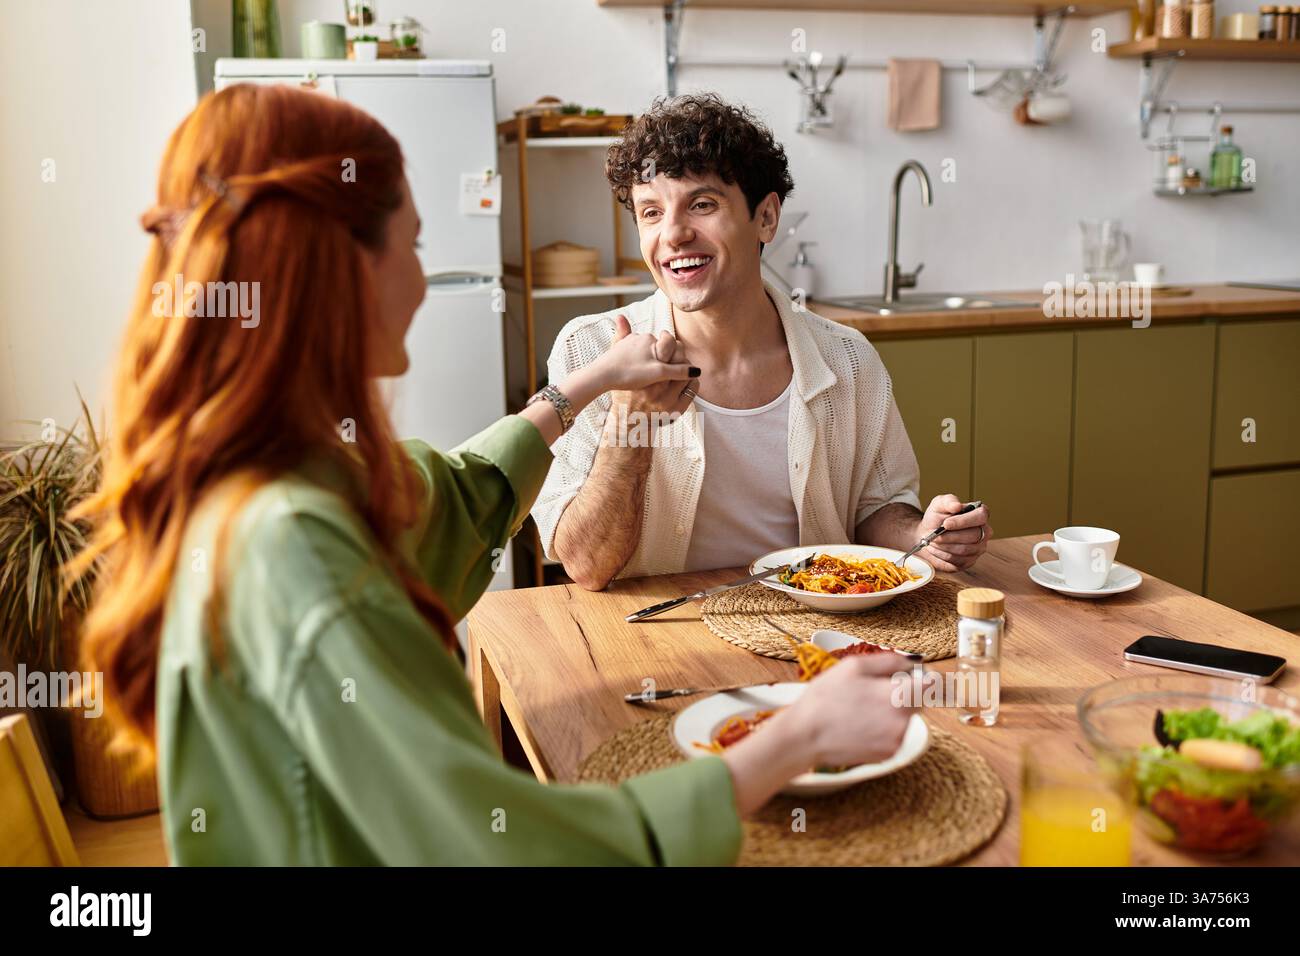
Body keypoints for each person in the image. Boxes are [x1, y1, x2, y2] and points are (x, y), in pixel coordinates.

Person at [68, 84, 916, 865]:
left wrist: (583, 387)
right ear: (346, 273)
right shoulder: (292, 547)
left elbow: (459, 496)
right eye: (415, 244)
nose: (425, 282)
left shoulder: (294, 478)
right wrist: (793, 740)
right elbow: (508, 852)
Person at [532, 94, 992, 590]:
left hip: (818, 625)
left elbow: (875, 508)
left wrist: (922, 534)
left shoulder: (849, 359)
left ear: (766, 218)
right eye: (650, 213)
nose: (673, 235)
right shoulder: (591, 350)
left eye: (701, 205)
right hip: (656, 637)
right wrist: (631, 424)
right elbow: (584, 566)